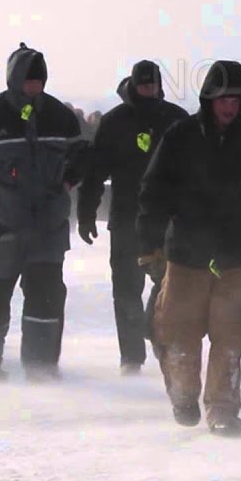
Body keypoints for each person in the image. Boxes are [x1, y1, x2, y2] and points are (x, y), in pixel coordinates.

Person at [137, 60, 241, 436]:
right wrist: (149, 244)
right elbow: (154, 192)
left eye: (236, 99)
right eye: (222, 99)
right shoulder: (181, 136)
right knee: (178, 336)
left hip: (239, 255)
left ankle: (223, 409)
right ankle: (183, 393)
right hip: (187, 256)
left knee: (230, 340)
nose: (229, 106)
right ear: (208, 98)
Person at [0, 43, 86, 381]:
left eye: (39, 82)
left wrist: (67, 185)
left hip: (48, 224)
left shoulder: (59, 115)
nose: (34, 88)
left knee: (46, 295)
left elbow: (83, 156)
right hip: (1, 223)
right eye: (28, 81)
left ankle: (41, 367)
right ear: (14, 80)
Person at [77, 60, 189, 375]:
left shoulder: (175, 120)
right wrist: (86, 213)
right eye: (143, 86)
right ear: (133, 86)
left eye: (153, 85)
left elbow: (195, 170)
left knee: (171, 287)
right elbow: (96, 171)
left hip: (168, 220)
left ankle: (165, 342)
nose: (148, 91)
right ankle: (131, 357)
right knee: (126, 289)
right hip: (127, 218)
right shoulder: (115, 121)